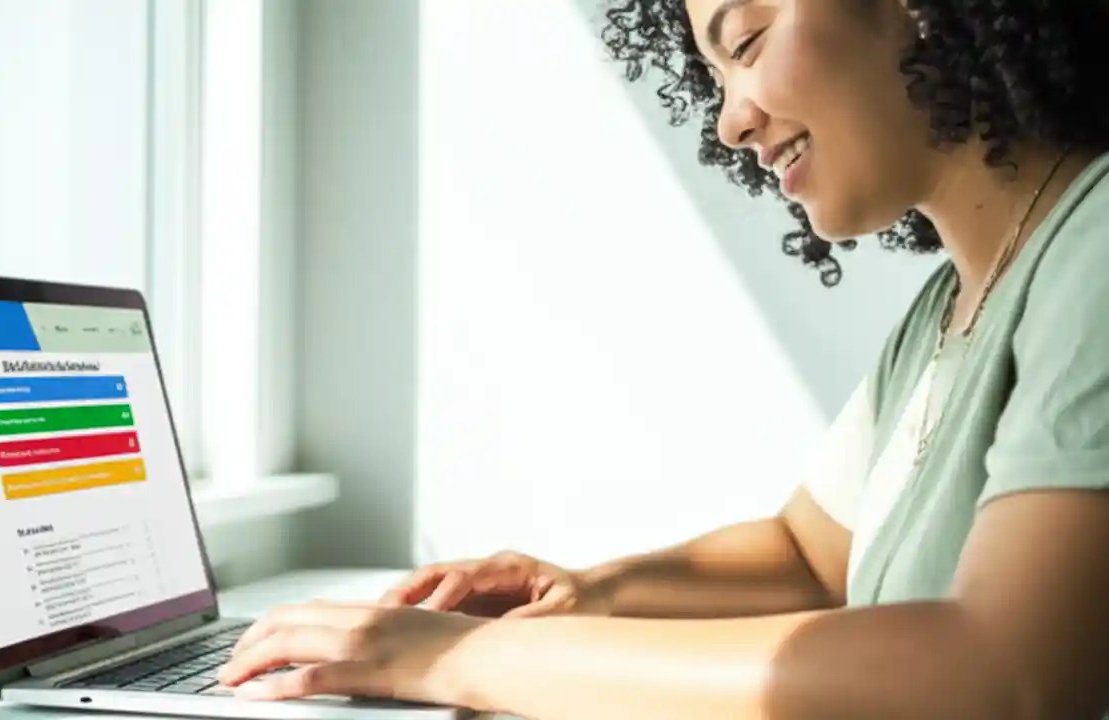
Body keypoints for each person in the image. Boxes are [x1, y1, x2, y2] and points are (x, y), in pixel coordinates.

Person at [216, 1, 1109, 717]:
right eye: (713, 77)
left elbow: (1006, 671)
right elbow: (810, 554)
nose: (732, 121)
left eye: (746, 42)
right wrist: (592, 592)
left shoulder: (1095, 252)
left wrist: (467, 659)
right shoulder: (949, 310)